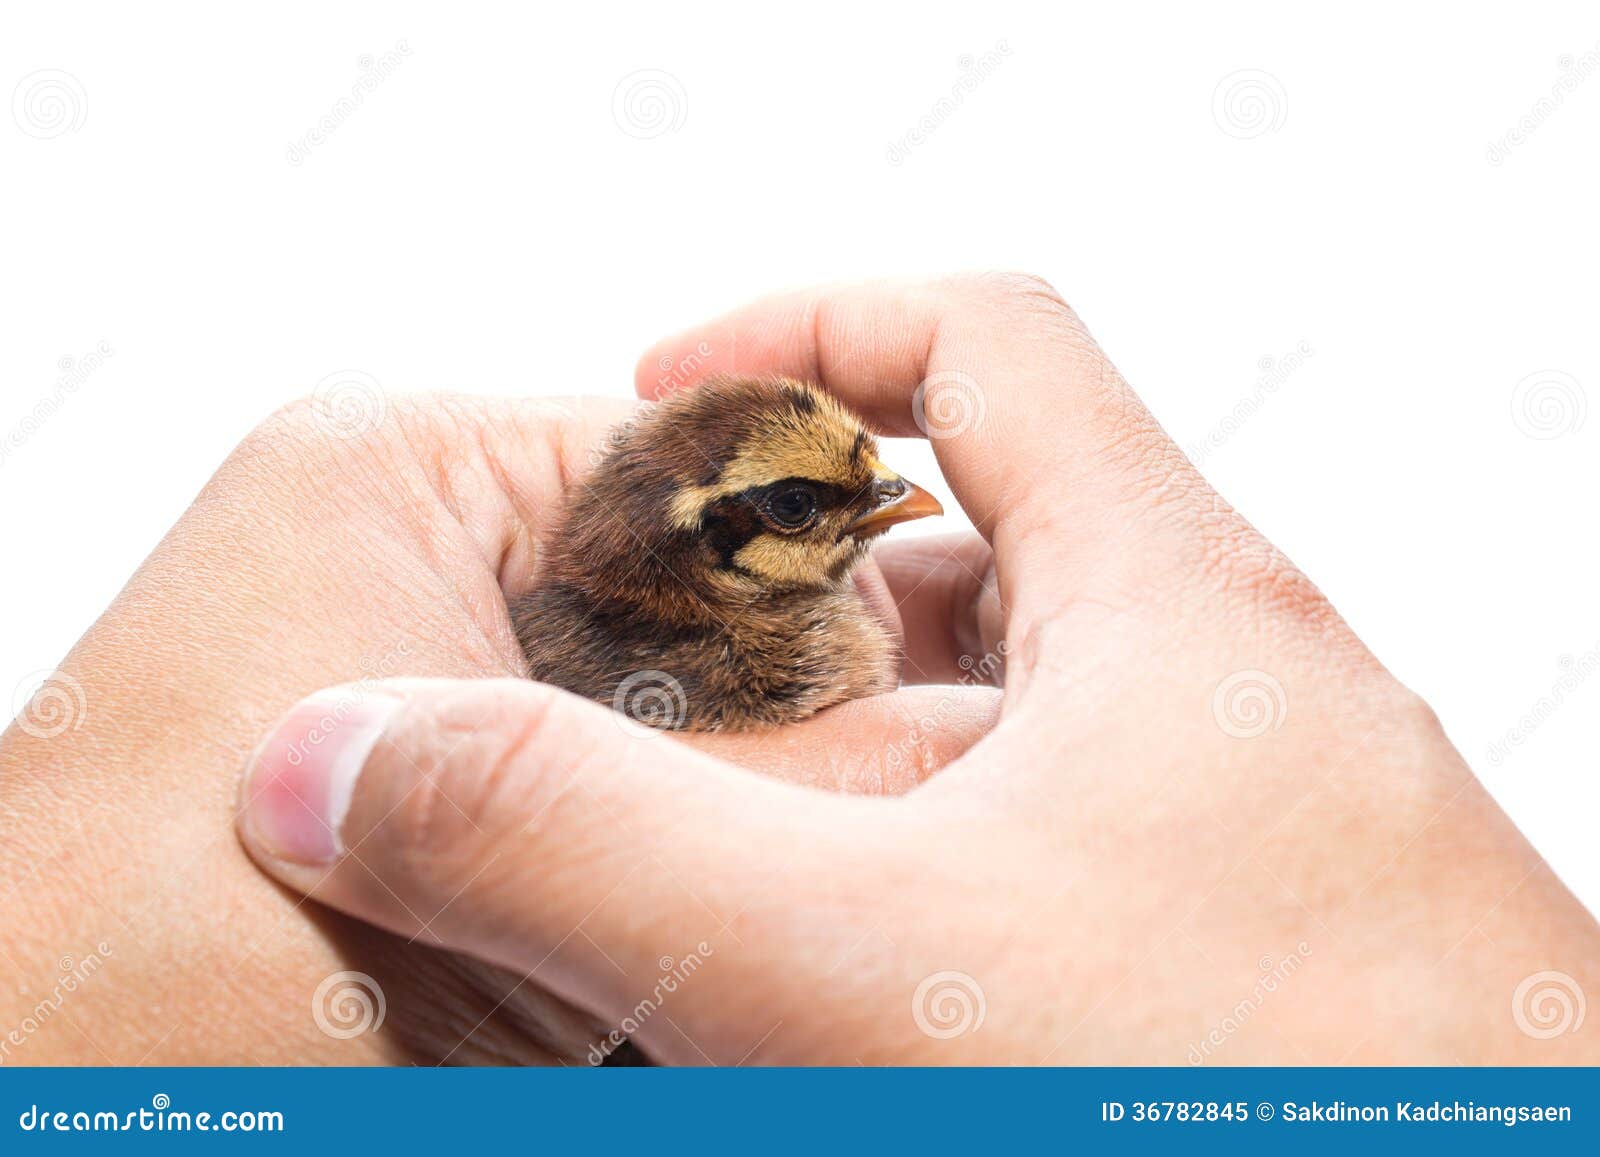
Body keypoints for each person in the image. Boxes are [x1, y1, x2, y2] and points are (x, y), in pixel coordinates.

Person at [3, 275, 1594, 1065]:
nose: (899, 499)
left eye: (870, 482)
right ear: (716, 550)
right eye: (812, 505)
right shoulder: (630, 663)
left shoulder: (765, 608)